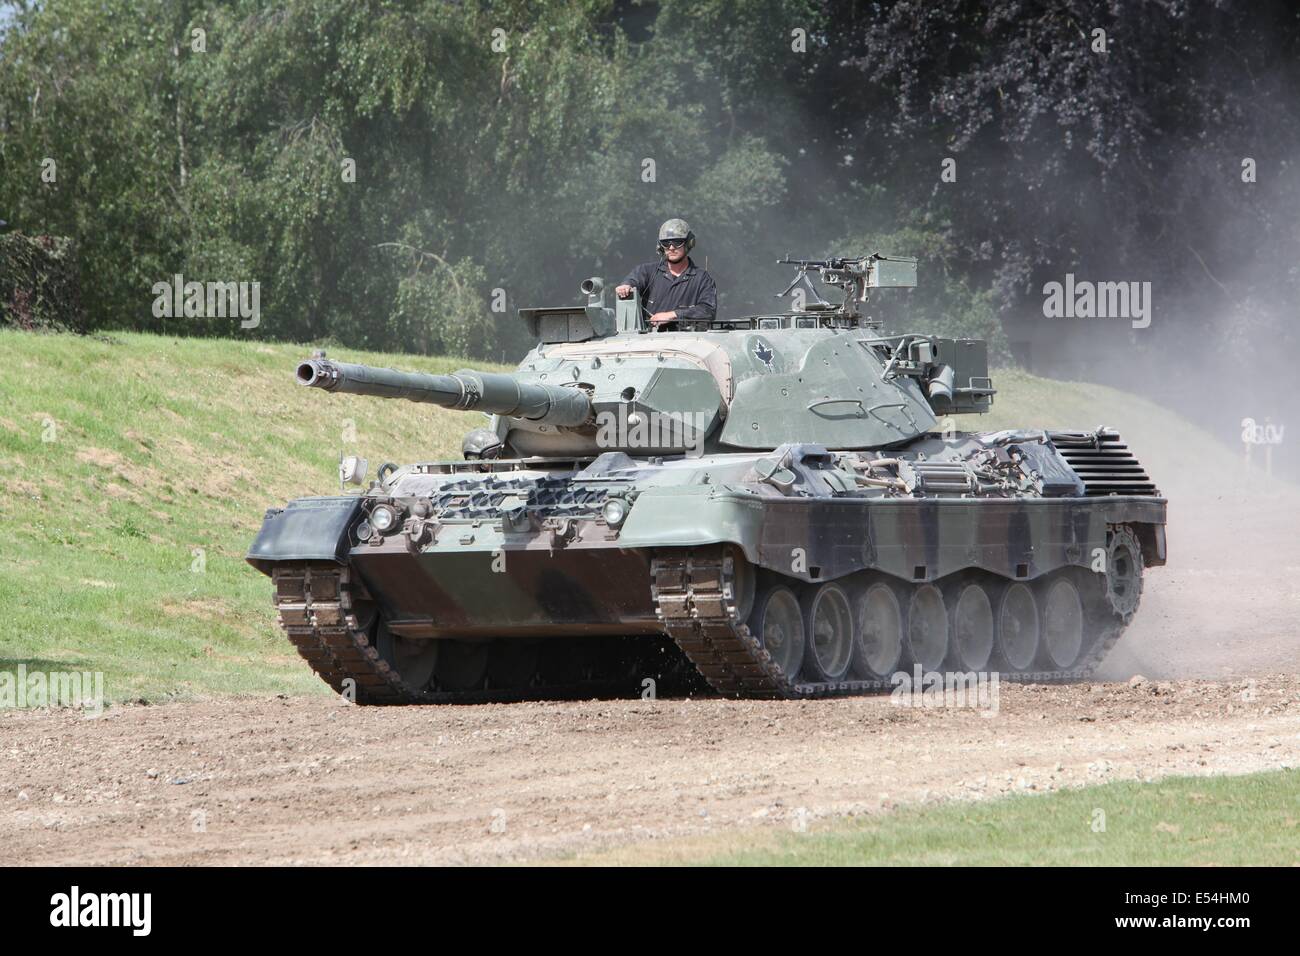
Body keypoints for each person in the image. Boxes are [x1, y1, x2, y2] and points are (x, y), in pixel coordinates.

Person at [615, 218, 717, 330]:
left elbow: (708, 311)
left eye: (677, 242)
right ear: (660, 247)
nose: (671, 248)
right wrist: (626, 286)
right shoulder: (647, 271)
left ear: (689, 243)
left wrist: (672, 315)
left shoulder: (701, 278)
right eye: (666, 243)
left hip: (686, 341)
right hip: (650, 341)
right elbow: (633, 280)